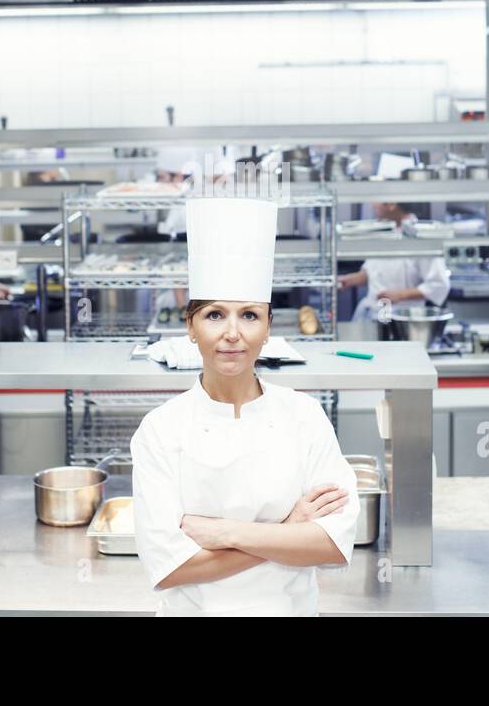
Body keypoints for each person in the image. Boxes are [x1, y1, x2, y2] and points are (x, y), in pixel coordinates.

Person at [130, 196, 360, 616]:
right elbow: (169, 570)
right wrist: (288, 531)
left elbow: (330, 545)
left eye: (250, 315)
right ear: (191, 328)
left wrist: (224, 534)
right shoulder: (161, 429)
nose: (232, 333)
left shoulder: (304, 416)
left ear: (269, 327)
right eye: (215, 315)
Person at [337, 201, 451, 321]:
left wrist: (400, 295)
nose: (373, 204)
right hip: (371, 314)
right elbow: (373, 273)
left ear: (391, 204)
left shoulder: (422, 238)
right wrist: (346, 280)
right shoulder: (384, 231)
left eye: (377, 201)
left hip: (401, 319)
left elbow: (439, 285)